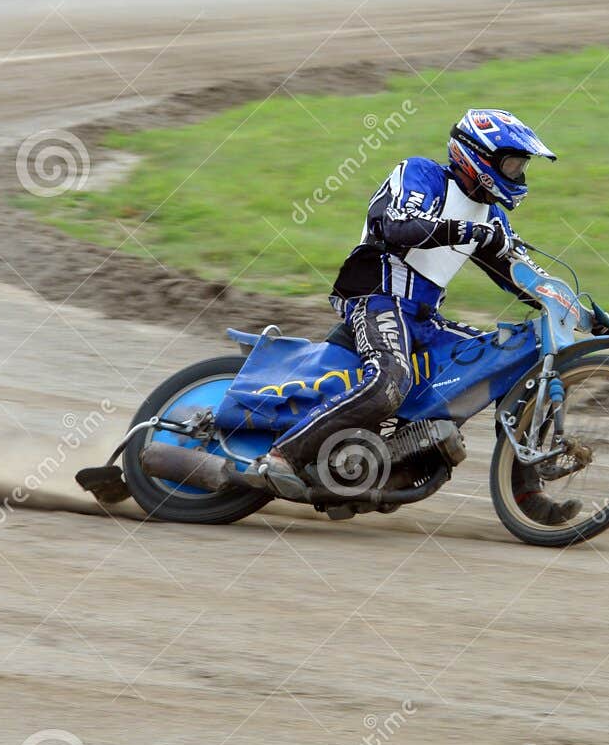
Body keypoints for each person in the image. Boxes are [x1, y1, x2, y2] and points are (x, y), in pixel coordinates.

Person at [247, 110, 584, 524]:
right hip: (375, 296)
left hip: (423, 319)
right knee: (392, 379)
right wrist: (469, 233)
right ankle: (283, 455)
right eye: (511, 163)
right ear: (477, 157)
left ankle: (524, 492)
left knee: (510, 360)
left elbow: (524, 278)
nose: (518, 174)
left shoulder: (492, 218)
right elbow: (397, 227)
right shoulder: (422, 174)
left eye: (521, 165)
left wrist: (579, 311)